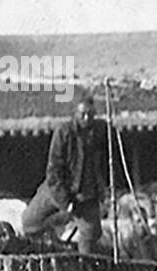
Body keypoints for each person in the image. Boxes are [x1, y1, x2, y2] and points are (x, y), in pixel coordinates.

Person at [21, 93, 108, 253]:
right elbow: (54, 171)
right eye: (83, 114)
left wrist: (102, 190)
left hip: (85, 197)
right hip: (57, 190)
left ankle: (83, 267)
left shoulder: (100, 131)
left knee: (90, 237)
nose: (87, 118)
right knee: (29, 222)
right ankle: (53, 240)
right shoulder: (64, 132)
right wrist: (65, 201)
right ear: (75, 114)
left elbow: (107, 163)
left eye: (90, 114)